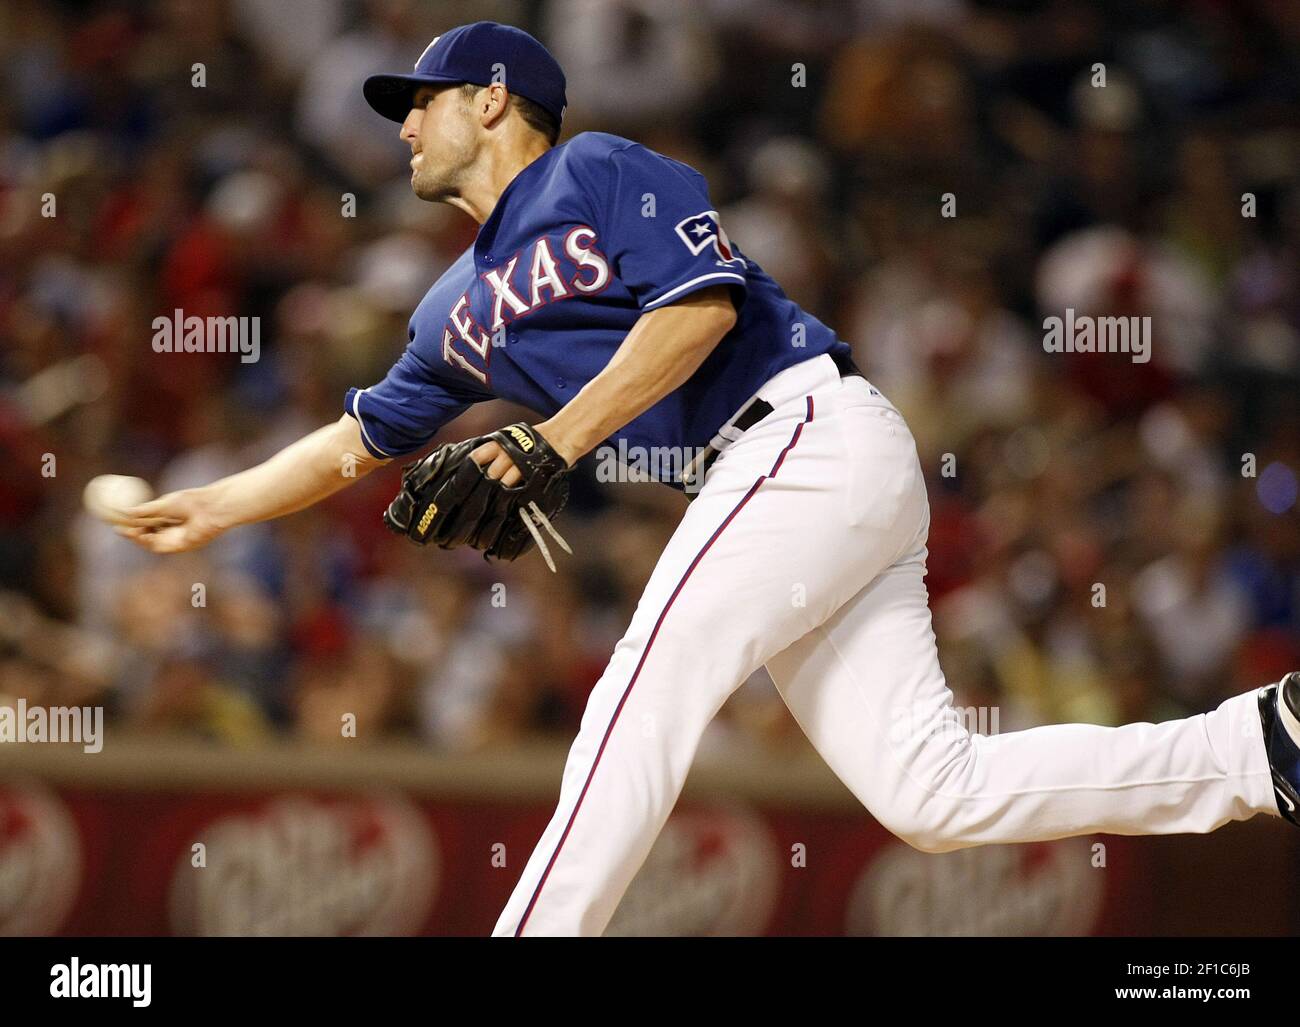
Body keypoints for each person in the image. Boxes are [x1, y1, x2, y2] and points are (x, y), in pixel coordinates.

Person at [119, 22, 1300, 937]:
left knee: (645, 683)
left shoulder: (595, 168)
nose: (402, 127)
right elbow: (350, 443)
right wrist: (212, 507)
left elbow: (697, 312)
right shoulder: (448, 313)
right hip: (784, 487)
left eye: (419, 102)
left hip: (805, 435)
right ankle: (1257, 749)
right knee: (931, 794)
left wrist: (551, 440)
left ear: (491, 100)